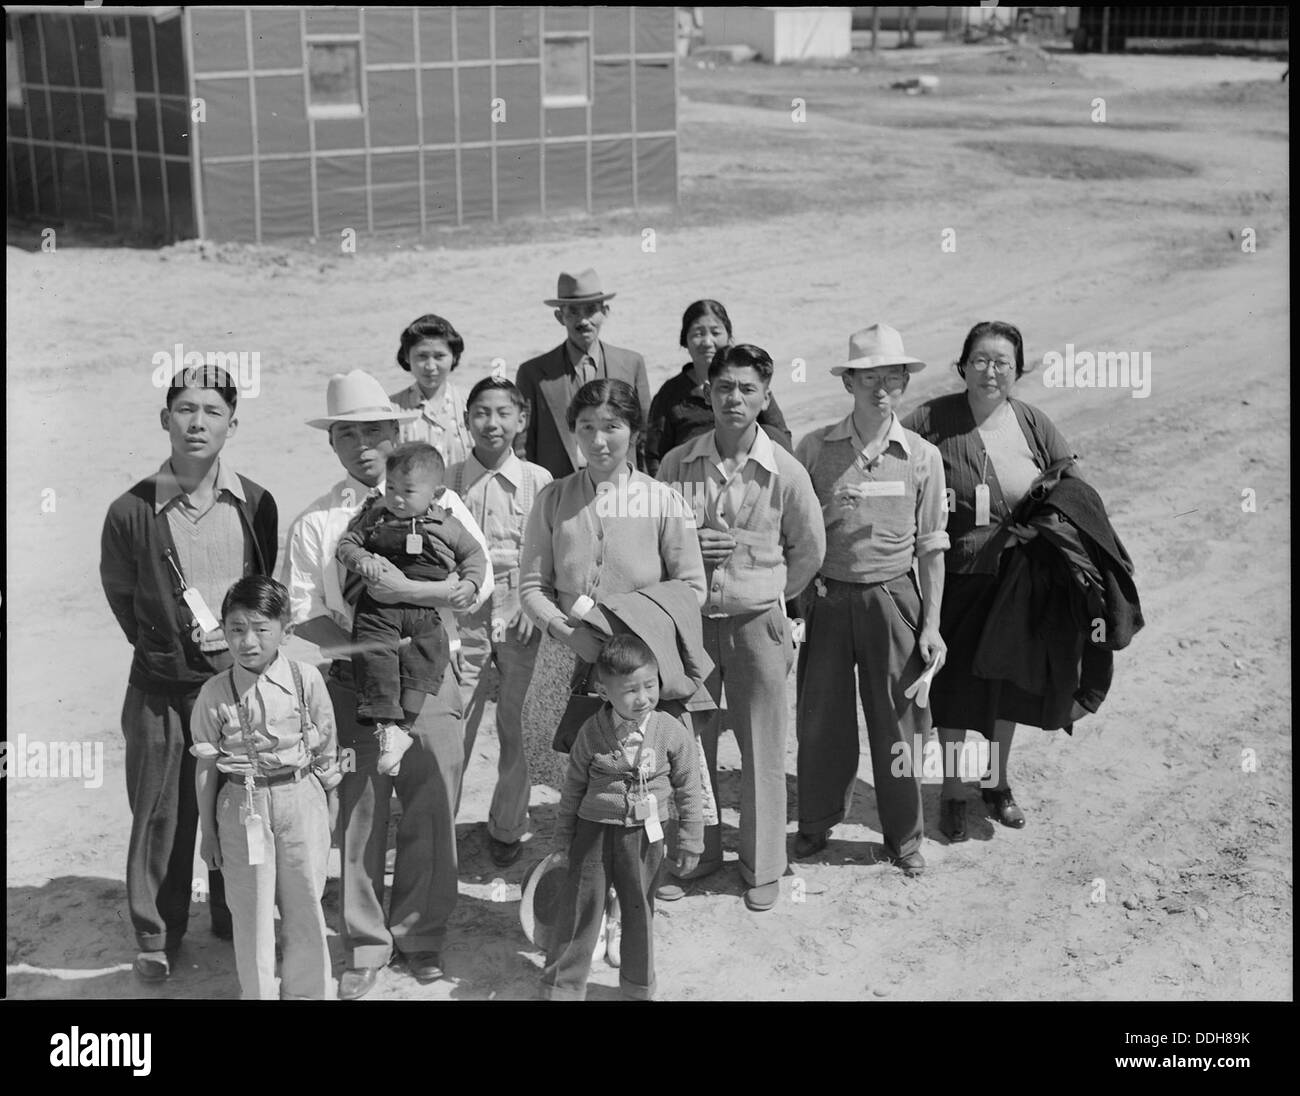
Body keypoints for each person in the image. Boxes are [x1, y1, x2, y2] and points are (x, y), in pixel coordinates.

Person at [280, 369, 493, 1001]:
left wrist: (414, 597)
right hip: (355, 680)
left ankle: (423, 934)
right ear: (334, 444)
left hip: (432, 672)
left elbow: (477, 584)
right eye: (349, 433)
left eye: (376, 429)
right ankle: (366, 943)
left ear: (394, 432)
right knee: (362, 811)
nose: (365, 444)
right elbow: (300, 611)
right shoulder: (318, 523)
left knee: (432, 801)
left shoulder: (443, 502)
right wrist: (370, 641)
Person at [99, 365, 277, 982]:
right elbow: (123, 597)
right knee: (162, 816)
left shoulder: (256, 503)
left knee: (241, 802)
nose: (197, 422)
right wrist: (168, 647)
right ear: (165, 418)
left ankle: (234, 914)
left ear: (233, 423)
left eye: (213, 411)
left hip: (238, 686)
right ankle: (156, 933)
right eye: (185, 409)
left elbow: (262, 588)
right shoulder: (130, 511)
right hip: (159, 690)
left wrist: (233, 651)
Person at [656, 344, 824, 911]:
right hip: (693, 629)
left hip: (759, 627)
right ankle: (696, 856)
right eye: (725, 386)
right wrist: (688, 547)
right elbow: (655, 543)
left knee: (762, 751)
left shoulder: (786, 470)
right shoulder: (677, 465)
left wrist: (770, 597)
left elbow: (809, 551)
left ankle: (763, 867)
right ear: (707, 390)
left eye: (748, 389)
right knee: (691, 749)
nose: (734, 398)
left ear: (766, 397)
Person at [902, 321, 1076, 840]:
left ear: (1018, 371)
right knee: (954, 690)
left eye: (1002, 362)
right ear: (962, 366)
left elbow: (1071, 491)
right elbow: (893, 468)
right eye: (980, 359)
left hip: (1018, 581)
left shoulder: (1032, 423)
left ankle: (996, 785)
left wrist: (1043, 527)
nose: (990, 371)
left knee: (1007, 687)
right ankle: (955, 793)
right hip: (953, 578)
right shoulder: (931, 420)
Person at [793, 323, 949, 876]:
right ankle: (814, 824)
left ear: (905, 382)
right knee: (821, 720)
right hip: (828, 599)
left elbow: (932, 547)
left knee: (898, 723)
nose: (880, 388)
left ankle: (904, 838)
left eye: (892, 377)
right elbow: (795, 529)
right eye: (868, 377)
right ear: (849, 382)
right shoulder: (815, 448)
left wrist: (930, 625)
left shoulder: (923, 456)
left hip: (893, 599)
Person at [518, 378, 707, 801]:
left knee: (646, 782)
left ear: (635, 433)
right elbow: (532, 588)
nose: (598, 440)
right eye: (586, 427)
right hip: (569, 663)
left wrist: (638, 626)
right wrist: (571, 636)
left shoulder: (664, 500)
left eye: (612, 427)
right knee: (578, 783)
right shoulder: (552, 499)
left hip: (644, 667)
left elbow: (693, 588)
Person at [190, 576, 341, 1000]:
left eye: (261, 628)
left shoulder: (306, 678)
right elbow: (205, 767)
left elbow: (327, 745)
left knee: (306, 907)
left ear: (285, 629)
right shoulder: (214, 693)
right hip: (243, 807)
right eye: (236, 629)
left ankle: (309, 993)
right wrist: (209, 831)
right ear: (223, 630)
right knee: (253, 915)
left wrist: (329, 802)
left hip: (301, 800)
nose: (248, 641)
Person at [540, 635, 703, 1001]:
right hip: (593, 834)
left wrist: (692, 838)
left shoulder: (671, 731)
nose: (642, 697)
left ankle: (637, 988)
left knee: (639, 911)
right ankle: (561, 988)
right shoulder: (589, 733)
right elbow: (572, 790)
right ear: (603, 691)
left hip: (646, 837)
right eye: (630, 690)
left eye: (649, 685)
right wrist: (562, 841)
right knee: (580, 909)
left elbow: (690, 787)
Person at [447, 377, 553, 867]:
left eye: (503, 413)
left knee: (518, 726)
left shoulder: (540, 480)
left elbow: (547, 553)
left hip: (521, 618)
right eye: (481, 412)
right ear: (466, 419)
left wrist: (531, 604)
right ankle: (438, 825)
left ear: (521, 420)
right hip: (461, 617)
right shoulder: (447, 481)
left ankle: (508, 825)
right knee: (454, 724)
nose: (492, 423)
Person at [336, 442, 488, 776]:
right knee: (375, 656)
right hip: (377, 608)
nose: (397, 498)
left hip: (424, 611)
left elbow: (475, 556)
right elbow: (346, 544)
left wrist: (470, 584)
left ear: (436, 492)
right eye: (391, 487)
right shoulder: (375, 516)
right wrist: (361, 560)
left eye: (408, 491)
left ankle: (403, 728)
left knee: (431, 653)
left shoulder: (445, 523)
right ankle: (386, 726)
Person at [515, 268, 652, 479]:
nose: (583, 321)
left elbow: (644, 435)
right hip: (558, 488)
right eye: (573, 312)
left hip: (622, 487)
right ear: (560, 317)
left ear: (605, 311)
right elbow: (523, 443)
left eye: (590, 310)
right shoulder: (533, 373)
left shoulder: (631, 363)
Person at [645, 299, 794, 476]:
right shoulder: (670, 394)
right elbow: (654, 455)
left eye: (715, 332)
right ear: (684, 340)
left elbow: (780, 437)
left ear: (729, 337)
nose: (707, 342)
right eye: (698, 333)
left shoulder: (750, 386)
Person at [390, 313, 473, 466]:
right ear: (407, 357)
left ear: (454, 357)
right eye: (421, 356)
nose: (430, 366)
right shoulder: (391, 411)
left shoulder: (471, 404)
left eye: (439, 356)